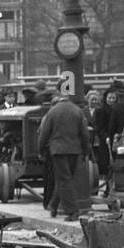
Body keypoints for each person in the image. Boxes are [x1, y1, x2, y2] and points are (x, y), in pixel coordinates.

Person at [37, 92, 92, 220]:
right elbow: (84, 133)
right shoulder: (77, 110)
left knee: (63, 180)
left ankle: (72, 211)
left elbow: (44, 134)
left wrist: (41, 151)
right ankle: (53, 206)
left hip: (58, 150)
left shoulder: (53, 112)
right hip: (75, 150)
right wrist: (85, 151)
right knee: (66, 179)